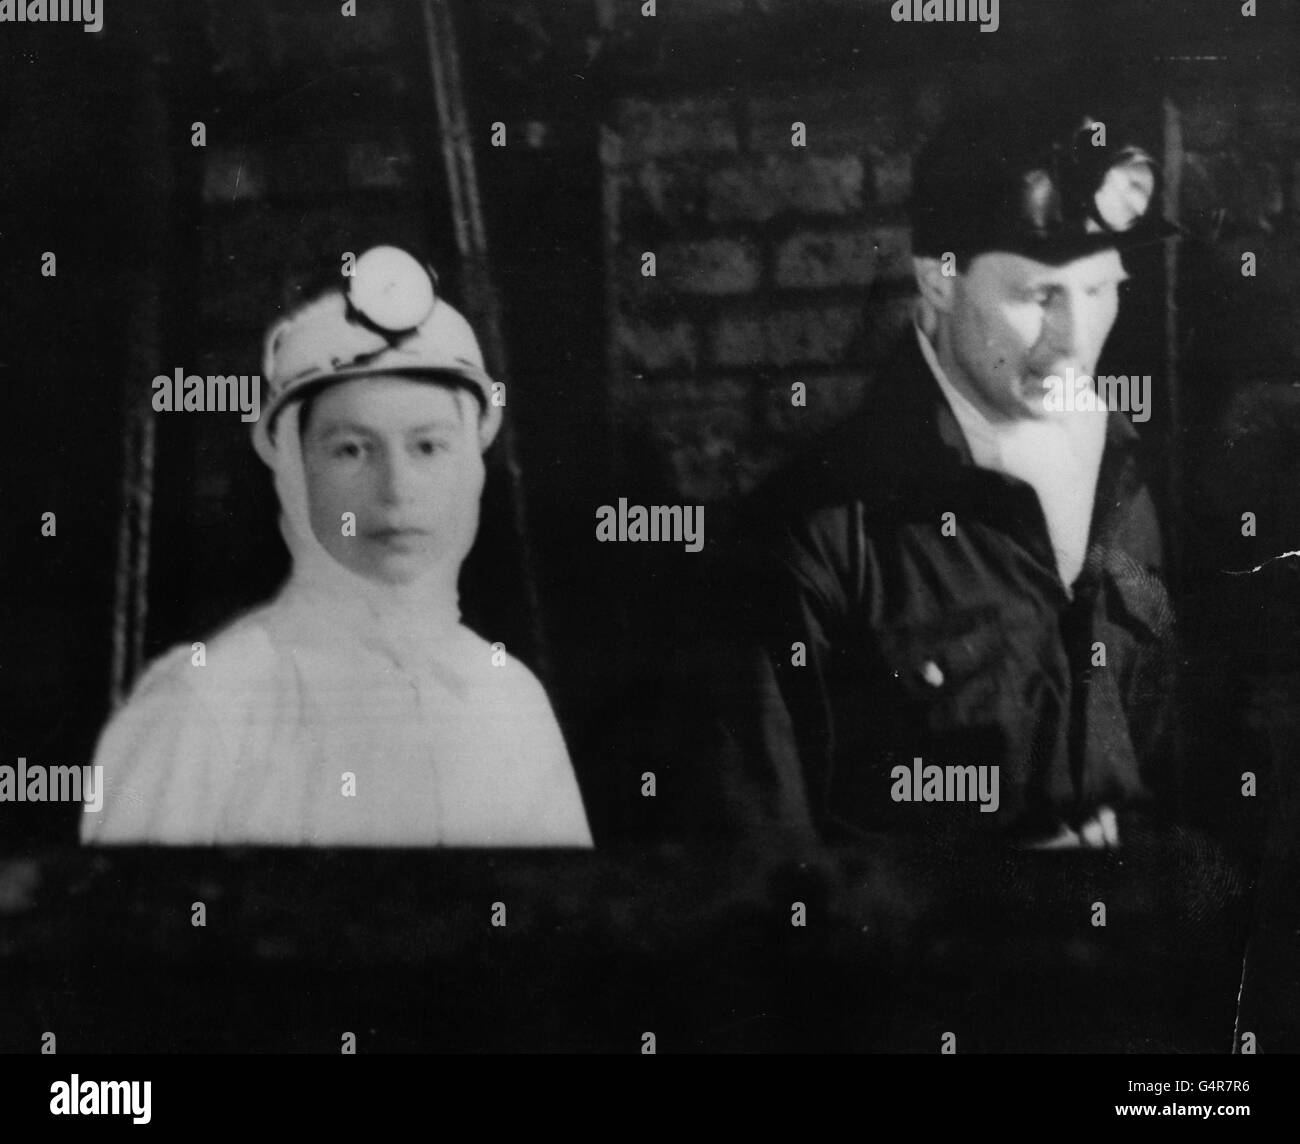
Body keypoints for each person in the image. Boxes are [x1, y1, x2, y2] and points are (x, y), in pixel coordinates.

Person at [721, 106, 1181, 849]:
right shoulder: (813, 537)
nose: (1075, 342)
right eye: (1038, 297)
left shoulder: (1122, 484)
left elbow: (1166, 777)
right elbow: (759, 881)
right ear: (936, 284)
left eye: (1099, 292)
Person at [82, 246, 593, 847]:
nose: (395, 491)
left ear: (468, 466)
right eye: (352, 450)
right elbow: (114, 934)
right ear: (296, 469)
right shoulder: (208, 706)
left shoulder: (507, 700)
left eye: (427, 447)